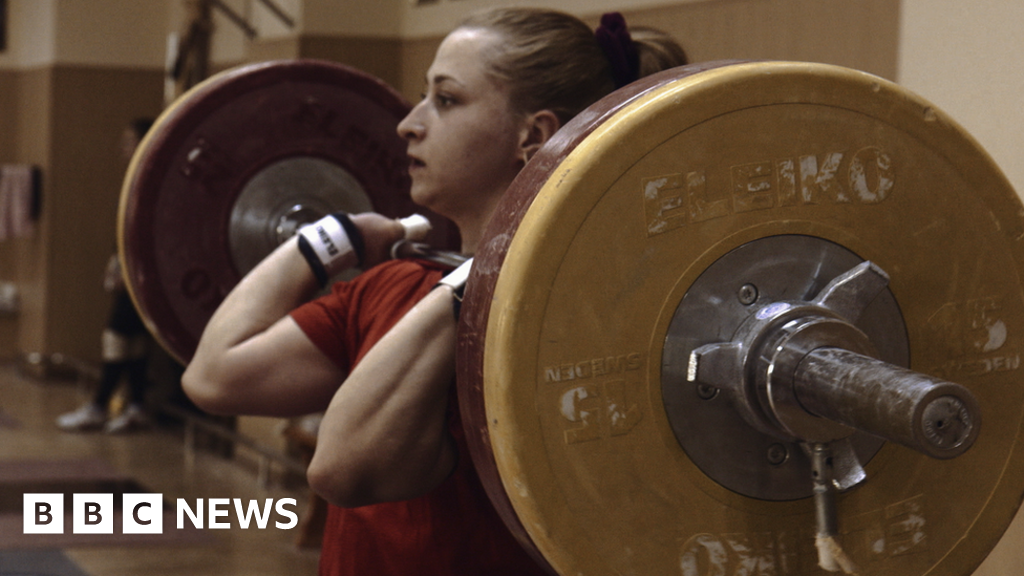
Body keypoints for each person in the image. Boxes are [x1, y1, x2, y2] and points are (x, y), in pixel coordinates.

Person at [182, 8, 687, 575]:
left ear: (534, 136)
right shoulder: (395, 285)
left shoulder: (582, 321)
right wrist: (331, 239)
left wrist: (498, 268)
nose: (409, 123)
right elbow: (214, 376)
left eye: (445, 100)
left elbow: (340, 469)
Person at [57, 118, 156, 433]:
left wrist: (128, 272)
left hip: (141, 274)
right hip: (131, 268)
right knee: (136, 342)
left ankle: (100, 405)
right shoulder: (136, 178)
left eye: (129, 141)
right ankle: (137, 405)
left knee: (116, 336)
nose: (123, 149)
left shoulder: (151, 181)